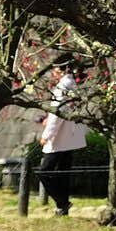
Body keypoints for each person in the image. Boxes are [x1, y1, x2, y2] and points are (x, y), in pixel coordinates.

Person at [38, 64, 87, 215]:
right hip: (70, 135)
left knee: (44, 172)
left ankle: (62, 202)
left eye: (54, 70)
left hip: (59, 137)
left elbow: (57, 114)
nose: (53, 74)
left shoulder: (62, 87)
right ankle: (62, 207)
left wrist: (46, 135)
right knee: (63, 173)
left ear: (59, 70)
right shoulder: (73, 85)